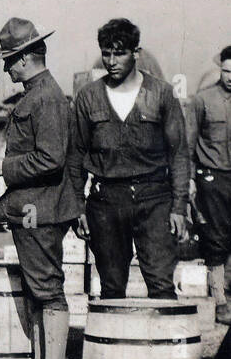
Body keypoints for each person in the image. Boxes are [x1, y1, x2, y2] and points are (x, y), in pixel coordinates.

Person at [0, 19, 83, 359]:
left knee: (47, 288)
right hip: (32, 207)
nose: (7, 68)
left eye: (9, 60)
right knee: (34, 286)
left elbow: (51, 159)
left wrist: (2, 167)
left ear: (25, 58)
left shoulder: (45, 98)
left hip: (42, 209)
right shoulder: (37, 94)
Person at [66, 18, 188, 300]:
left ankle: (162, 344)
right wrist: (79, 208)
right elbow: (75, 157)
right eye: (106, 52)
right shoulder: (88, 98)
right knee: (111, 287)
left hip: (155, 199)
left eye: (119, 52)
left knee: (161, 285)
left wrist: (179, 207)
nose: (111, 60)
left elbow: (178, 153)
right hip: (106, 202)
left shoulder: (160, 94)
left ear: (136, 52)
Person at [186, 45, 231, 324]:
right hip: (212, 179)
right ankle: (220, 301)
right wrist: (190, 179)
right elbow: (188, 143)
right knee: (216, 238)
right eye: (227, 71)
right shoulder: (202, 100)